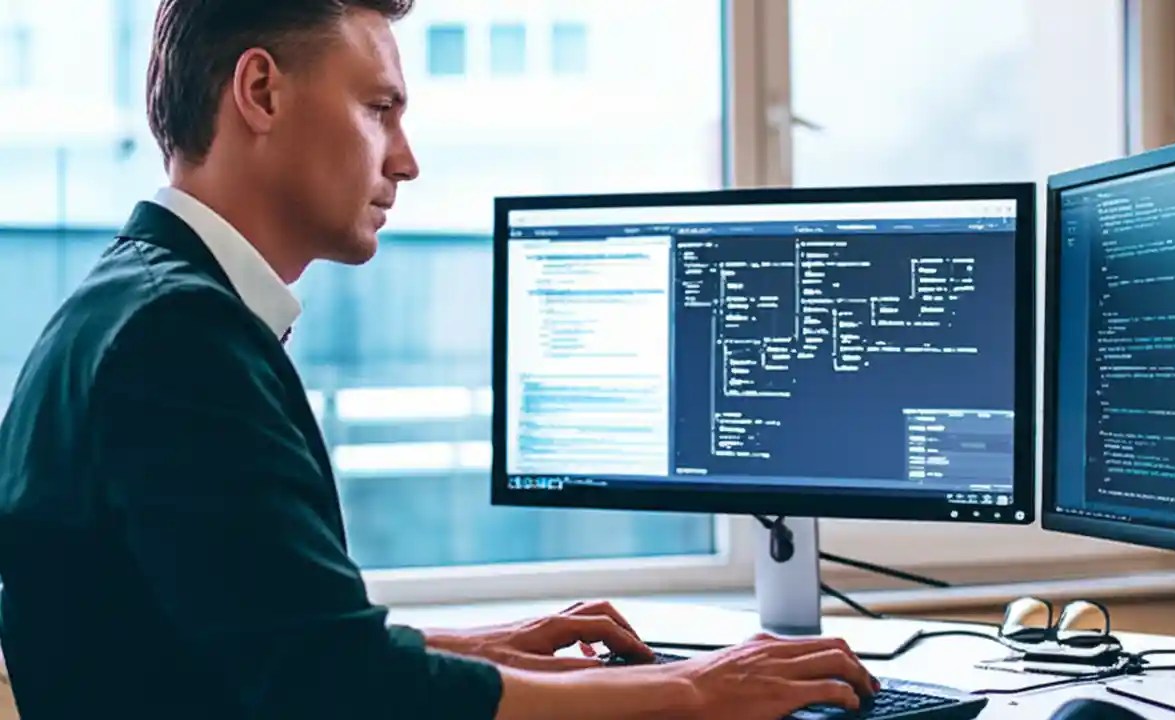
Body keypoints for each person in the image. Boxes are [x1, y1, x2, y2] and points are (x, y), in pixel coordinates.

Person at [0, 1, 877, 718]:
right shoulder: (177, 339)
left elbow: (262, 636)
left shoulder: (134, 302)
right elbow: (336, 686)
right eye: (380, 108)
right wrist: (691, 688)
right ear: (260, 91)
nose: (407, 161)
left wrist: (481, 647)